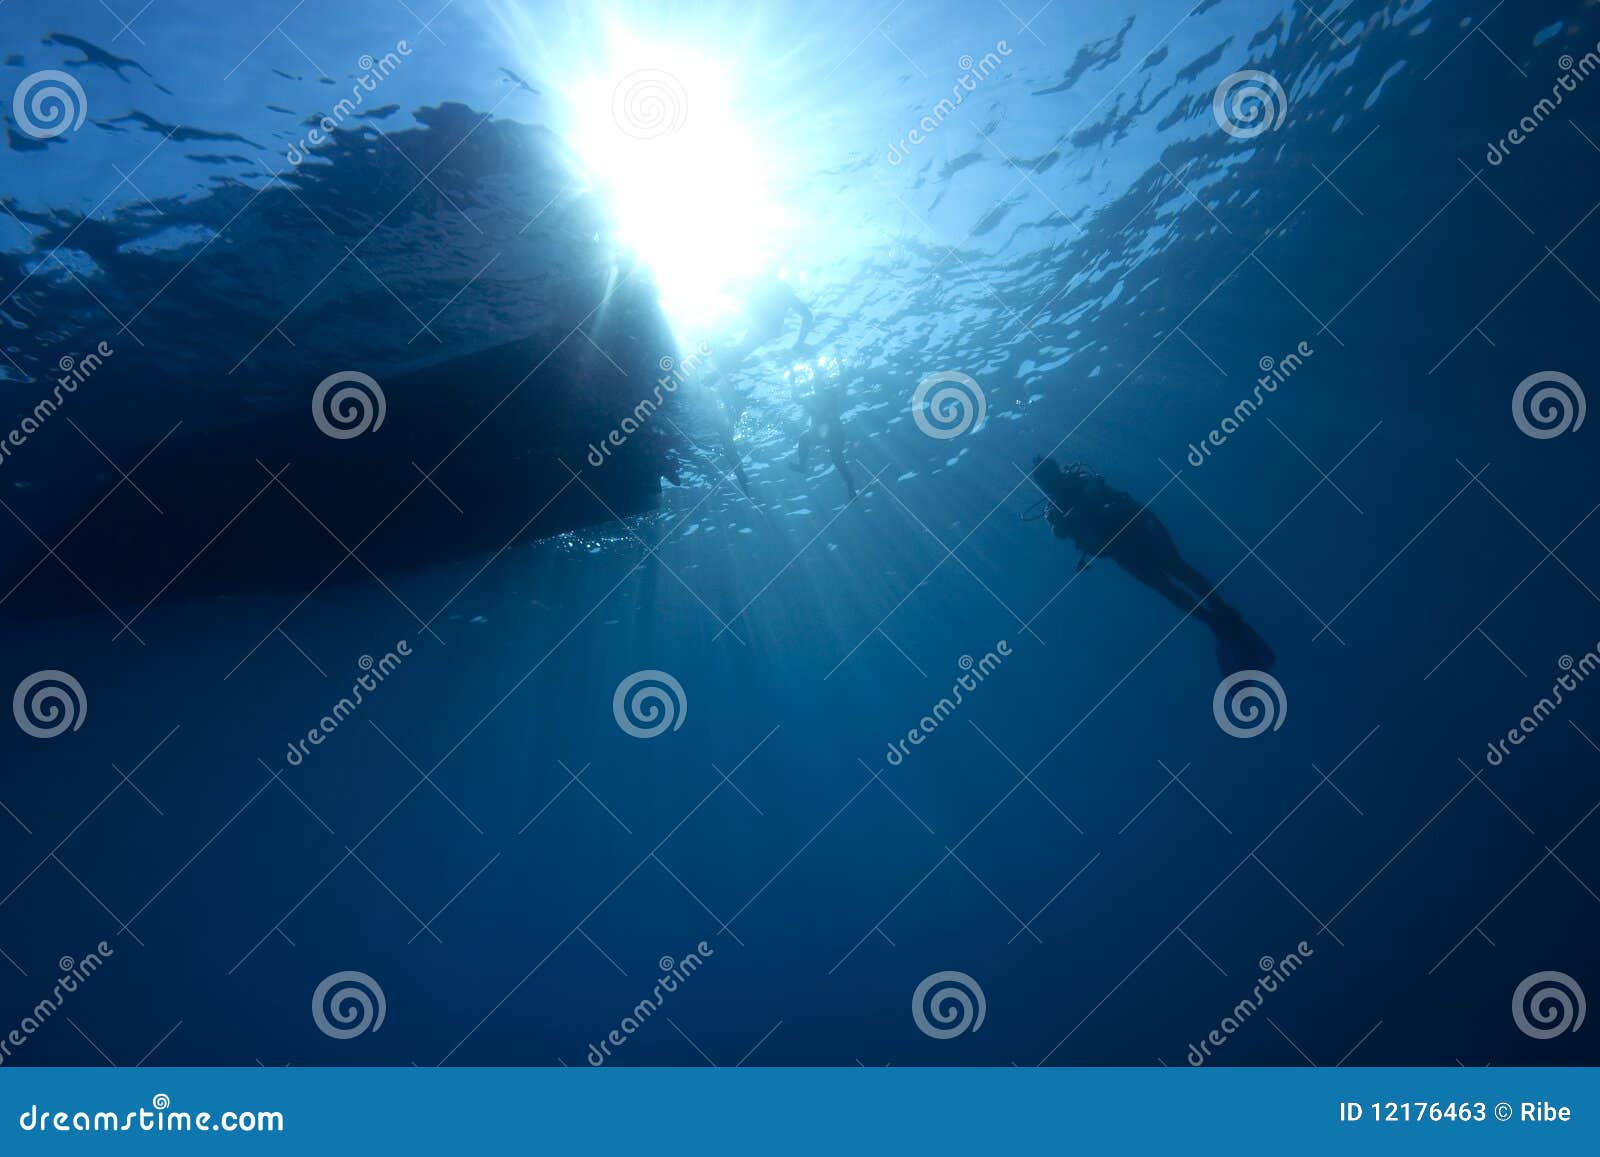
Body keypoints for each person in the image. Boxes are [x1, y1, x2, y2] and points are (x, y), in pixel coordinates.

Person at [1030, 457, 1274, 673]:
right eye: (1043, 480)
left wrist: (1079, 512)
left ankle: (1219, 610)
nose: (1049, 481)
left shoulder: (1080, 479)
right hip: (1121, 549)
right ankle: (1213, 622)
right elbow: (1061, 533)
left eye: (1048, 474)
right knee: (1166, 586)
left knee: (1177, 569)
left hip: (1139, 529)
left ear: (1056, 470)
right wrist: (1064, 522)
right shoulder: (1054, 510)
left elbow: (1100, 493)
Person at [790, 377, 857, 500]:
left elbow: (844, 383)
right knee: (803, 439)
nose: (817, 387)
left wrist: (839, 361)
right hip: (819, 432)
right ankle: (802, 465)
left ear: (823, 385)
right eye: (815, 385)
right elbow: (796, 398)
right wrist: (792, 380)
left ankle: (851, 489)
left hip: (834, 433)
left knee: (838, 460)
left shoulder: (831, 394)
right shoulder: (811, 399)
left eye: (819, 384)